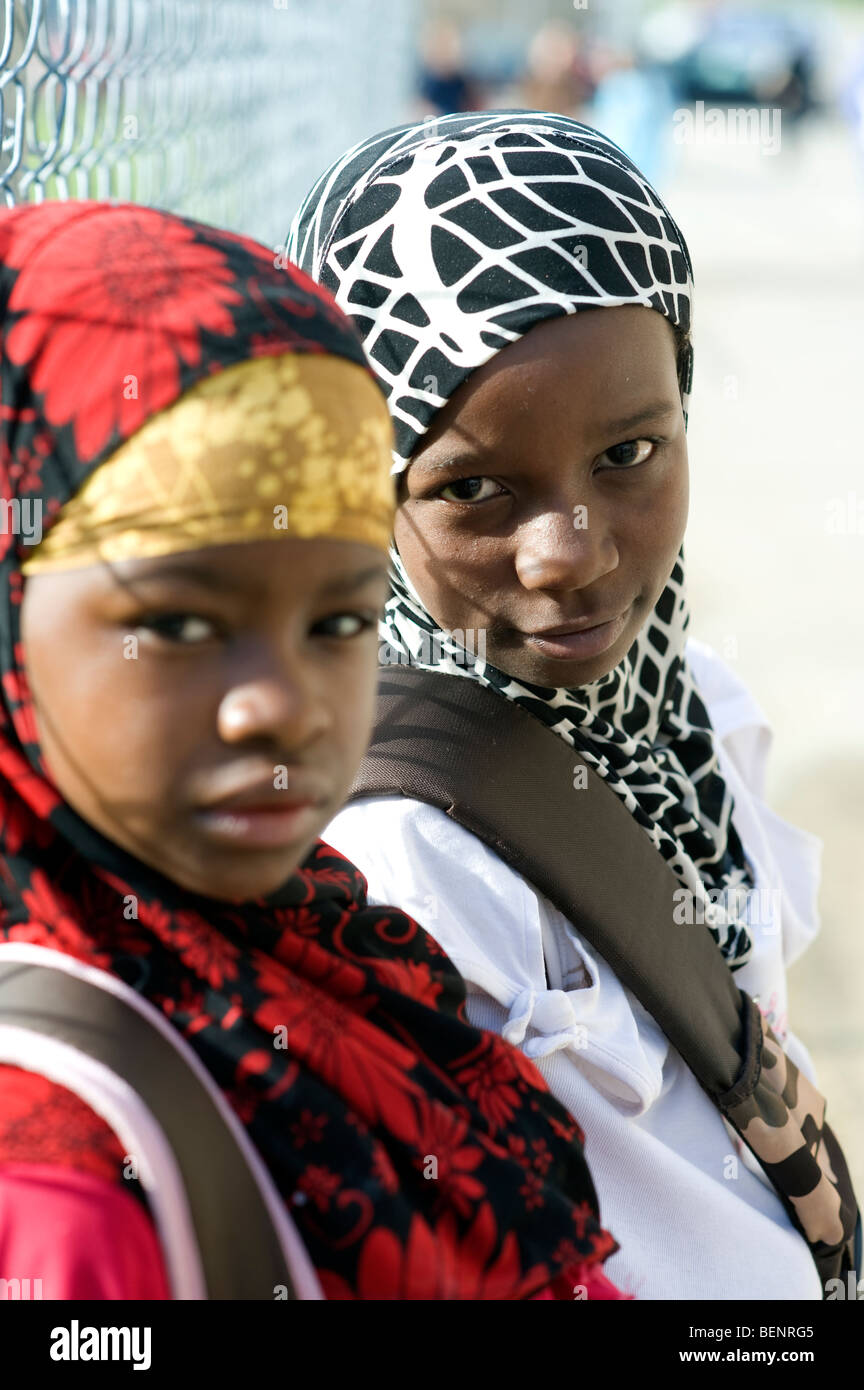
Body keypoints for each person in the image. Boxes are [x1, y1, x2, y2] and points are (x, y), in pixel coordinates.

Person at [0, 201, 623, 1301]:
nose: (277, 711)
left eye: (337, 621)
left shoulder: (320, 935)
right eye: (181, 625)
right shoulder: (61, 1191)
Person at [288, 110, 850, 1300]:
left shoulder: (692, 700)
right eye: (475, 488)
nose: (570, 554)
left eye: (630, 456)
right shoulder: (391, 859)